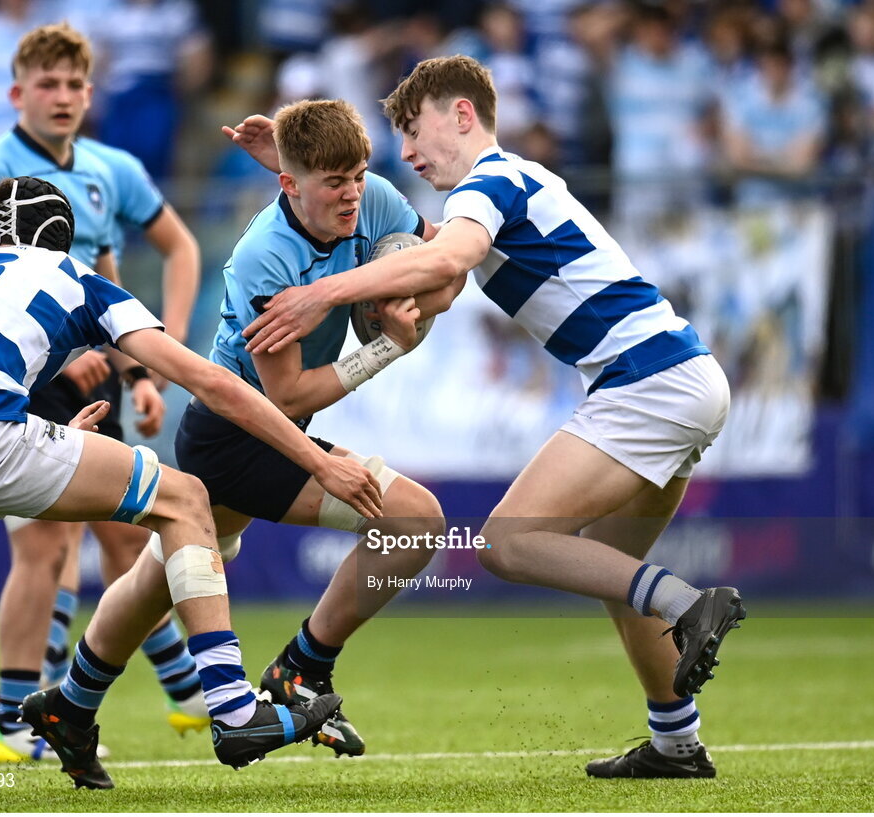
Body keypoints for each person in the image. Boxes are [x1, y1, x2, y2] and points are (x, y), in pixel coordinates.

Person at [242, 55, 747, 779]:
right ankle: (677, 744)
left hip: (648, 384)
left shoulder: (492, 180)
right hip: (679, 376)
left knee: (507, 544)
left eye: (413, 130)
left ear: (462, 115)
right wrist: (294, 173)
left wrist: (324, 294)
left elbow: (449, 258)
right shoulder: (503, 187)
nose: (407, 153)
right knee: (614, 566)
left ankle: (689, 603)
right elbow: (433, 272)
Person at [0, 175, 378, 789]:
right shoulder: (74, 276)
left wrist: (46, 439)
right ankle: (233, 710)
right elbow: (213, 383)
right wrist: (317, 460)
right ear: (65, 235)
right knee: (185, 499)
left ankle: (76, 709)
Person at [0, 22, 206, 763]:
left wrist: (142, 369)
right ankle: (19, 712)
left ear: (90, 94)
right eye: (48, 84)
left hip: (88, 361)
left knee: (124, 535)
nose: (62, 96)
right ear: (17, 94)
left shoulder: (111, 168)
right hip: (12, 377)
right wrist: (36, 354)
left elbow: (159, 254)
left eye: (74, 85)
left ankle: (177, 690)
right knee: (49, 543)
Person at [174, 98, 452, 757]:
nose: (353, 193)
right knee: (416, 522)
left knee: (160, 575)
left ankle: (72, 700)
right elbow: (289, 391)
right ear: (290, 184)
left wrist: (410, 298)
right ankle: (301, 667)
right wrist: (388, 345)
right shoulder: (264, 256)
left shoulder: (374, 199)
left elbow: (447, 271)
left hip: (273, 426)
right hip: (236, 434)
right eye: (334, 182)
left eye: (356, 175)